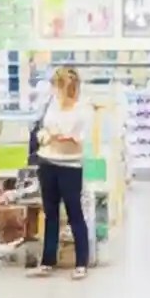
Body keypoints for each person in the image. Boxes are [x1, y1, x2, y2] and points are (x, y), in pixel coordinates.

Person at [28, 67, 91, 280]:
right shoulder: (52, 105)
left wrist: (65, 137)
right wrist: (46, 136)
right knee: (50, 213)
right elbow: (44, 130)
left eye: (58, 85)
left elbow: (80, 138)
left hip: (70, 165)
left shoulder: (82, 110)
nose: (55, 89)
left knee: (75, 214)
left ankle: (81, 262)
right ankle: (47, 261)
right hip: (48, 162)